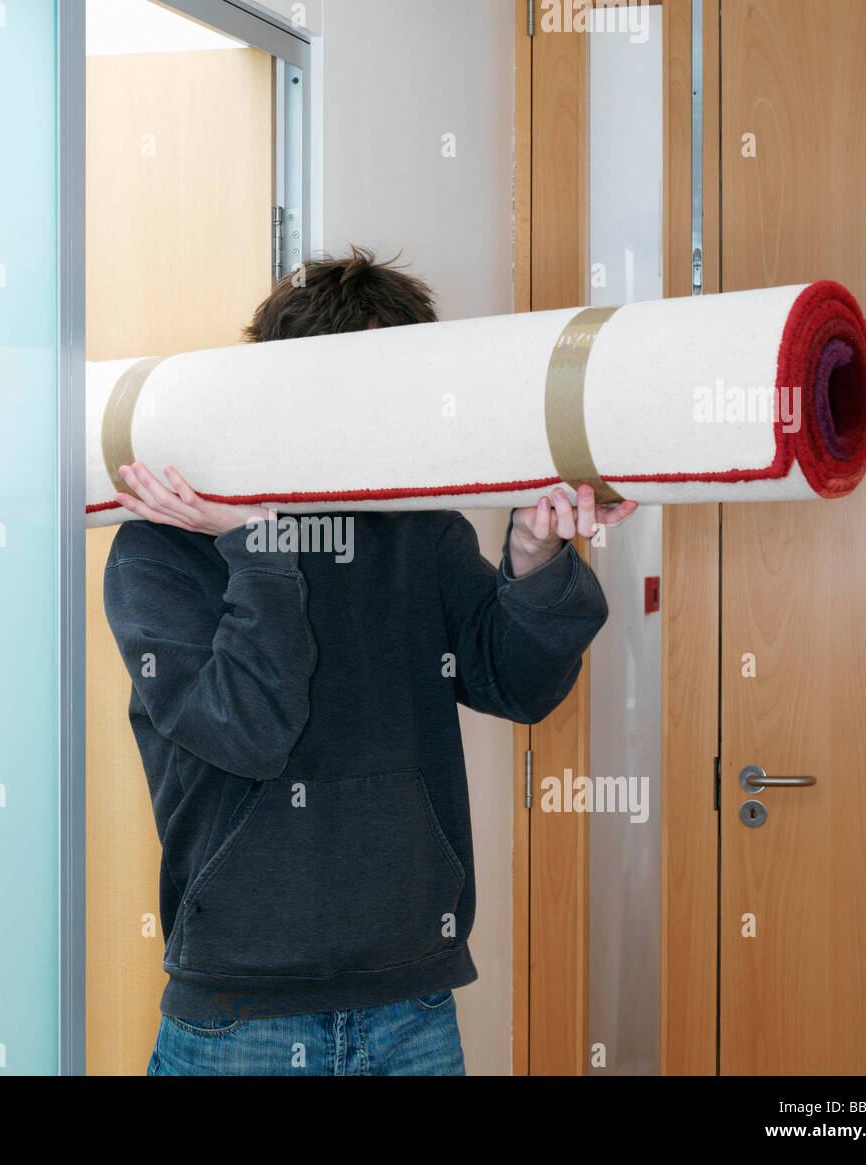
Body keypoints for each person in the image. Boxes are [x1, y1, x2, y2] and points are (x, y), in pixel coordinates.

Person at [102, 247, 638, 1076]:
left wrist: (535, 555)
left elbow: (517, 682)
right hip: (240, 1018)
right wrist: (258, 547)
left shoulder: (418, 531)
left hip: (410, 1006)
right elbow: (247, 732)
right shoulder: (160, 550)